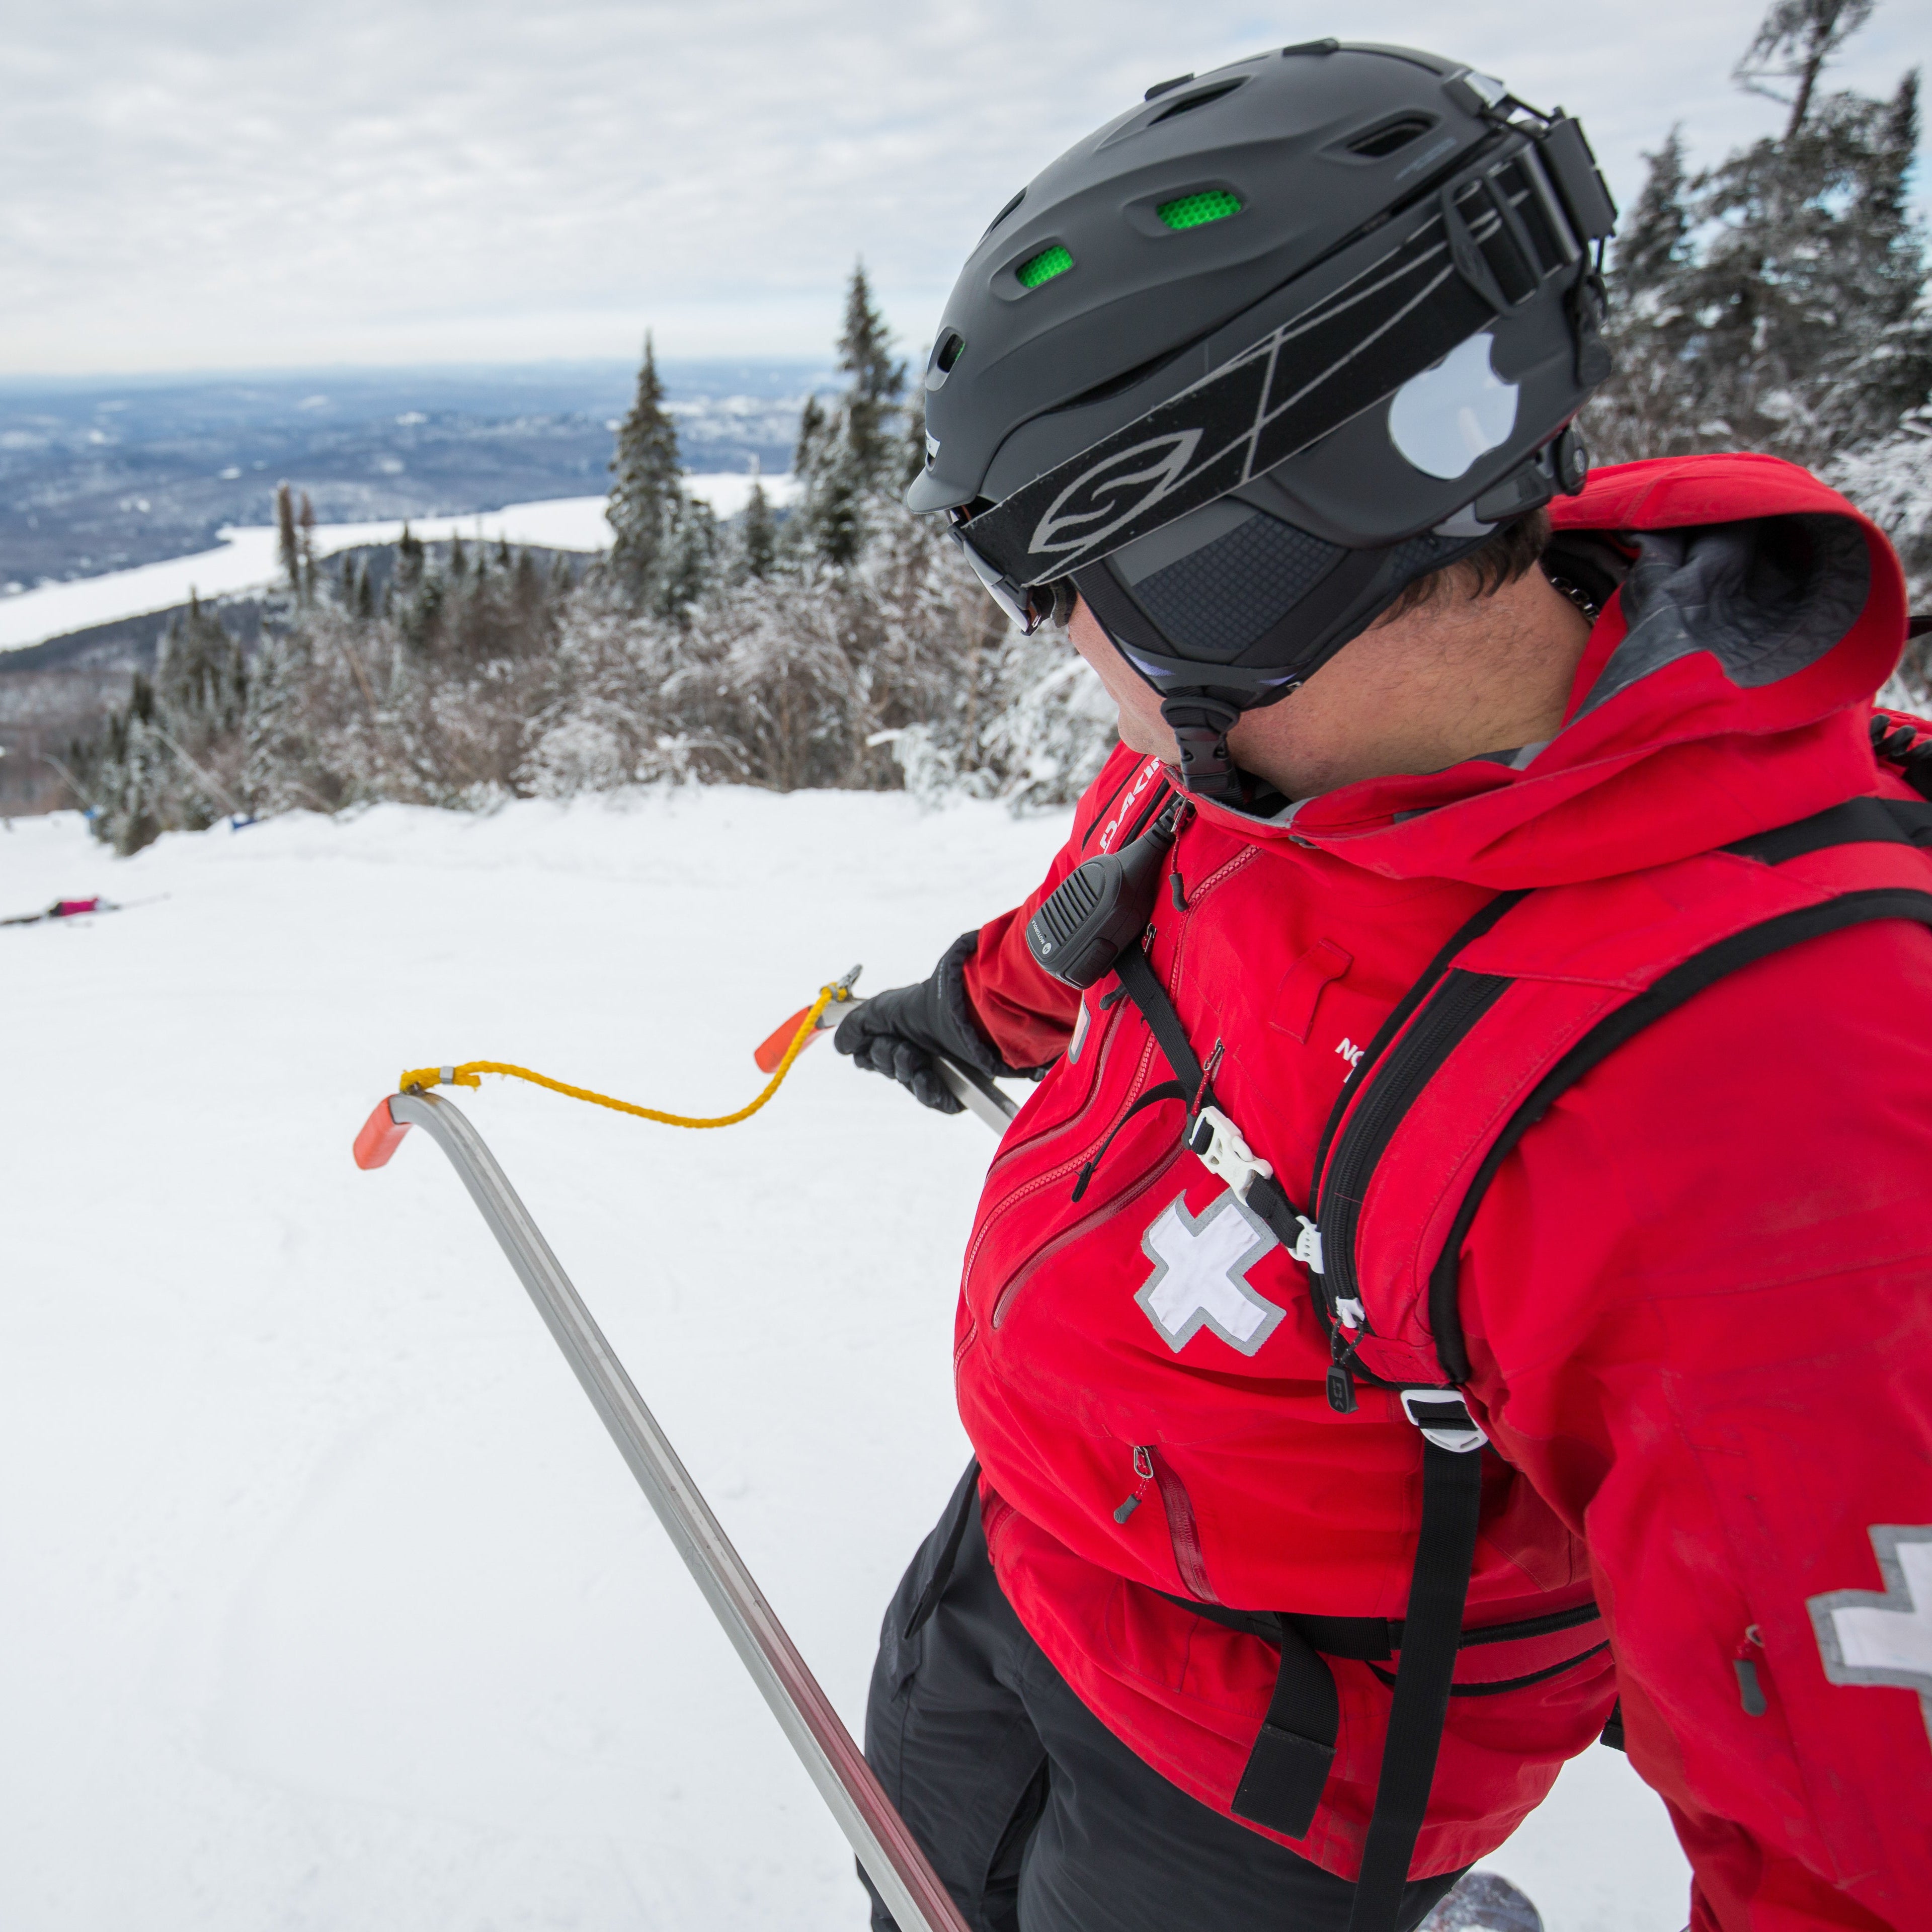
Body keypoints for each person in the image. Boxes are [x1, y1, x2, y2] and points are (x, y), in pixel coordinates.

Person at [836, 40, 1932, 1932]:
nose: (1060, 643)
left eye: (1057, 580)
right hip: (1024, 1554)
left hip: (1276, 1777)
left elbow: (1861, 1835)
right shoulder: (1245, 755)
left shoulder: (1749, 1089)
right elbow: (1111, 916)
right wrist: (974, 1000)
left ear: (1226, 567)